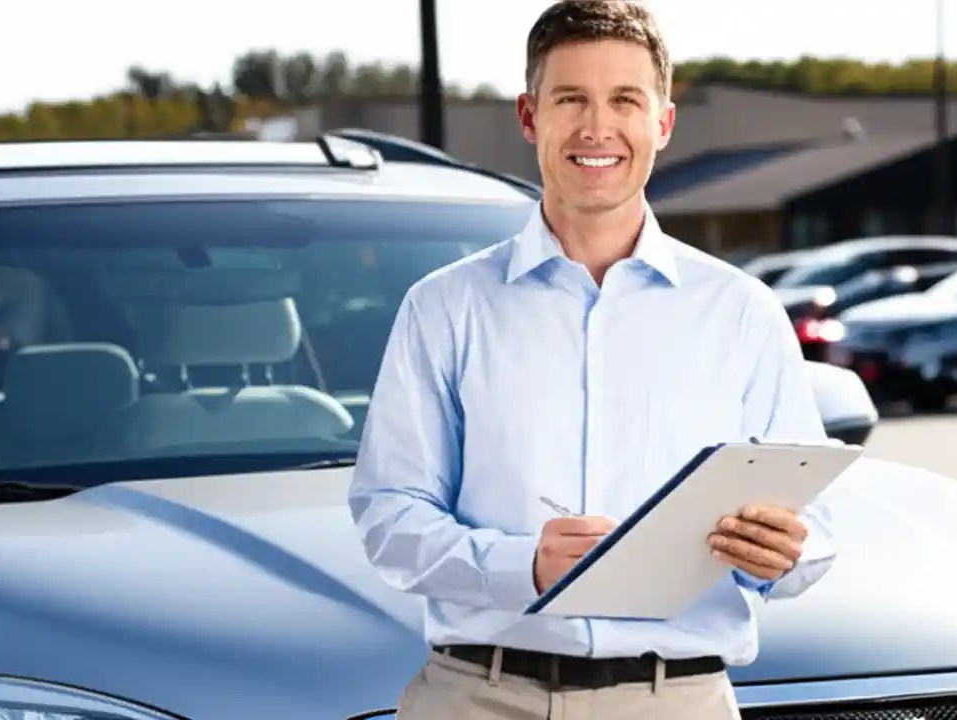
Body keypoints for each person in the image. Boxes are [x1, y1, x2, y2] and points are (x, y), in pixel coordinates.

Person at [347, 2, 836, 718]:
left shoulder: (741, 313)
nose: (596, 128)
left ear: (662, 123)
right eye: (570, 98)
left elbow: (815, 527)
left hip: (677, 702)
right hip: (477, 699)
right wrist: (522, 565)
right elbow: (388, 518)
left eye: (625, 100)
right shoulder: (444, 309)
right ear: (528, 116)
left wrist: (785, 553)